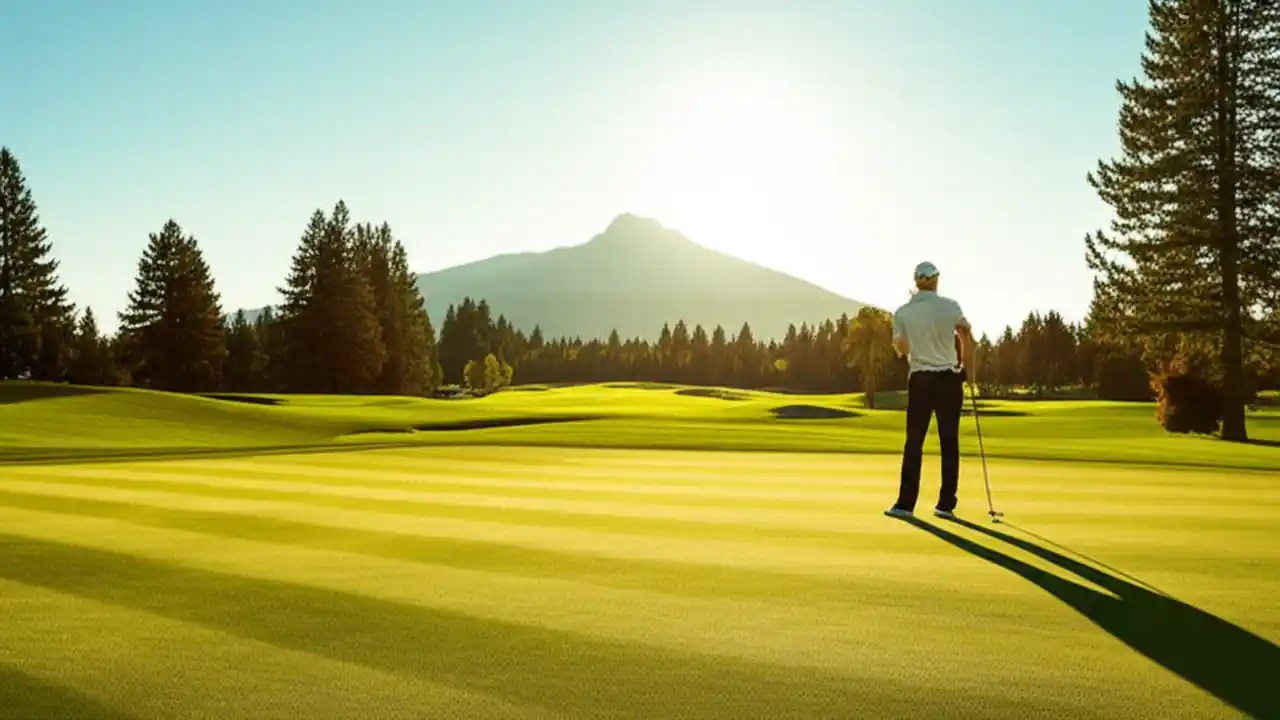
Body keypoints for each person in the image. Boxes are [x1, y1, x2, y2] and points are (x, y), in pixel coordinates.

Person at [884, 261, 973, 520]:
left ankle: (905, 505)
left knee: (914, 442)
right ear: (935, 281)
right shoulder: (951, 306)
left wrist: (910, 346)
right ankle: (945, 506)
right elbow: (966, 334)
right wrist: (966, 368)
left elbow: (903, 348)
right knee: (949, 443)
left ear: (916, 282)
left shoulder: (902, 312)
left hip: (921, 380)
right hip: (949, 379)